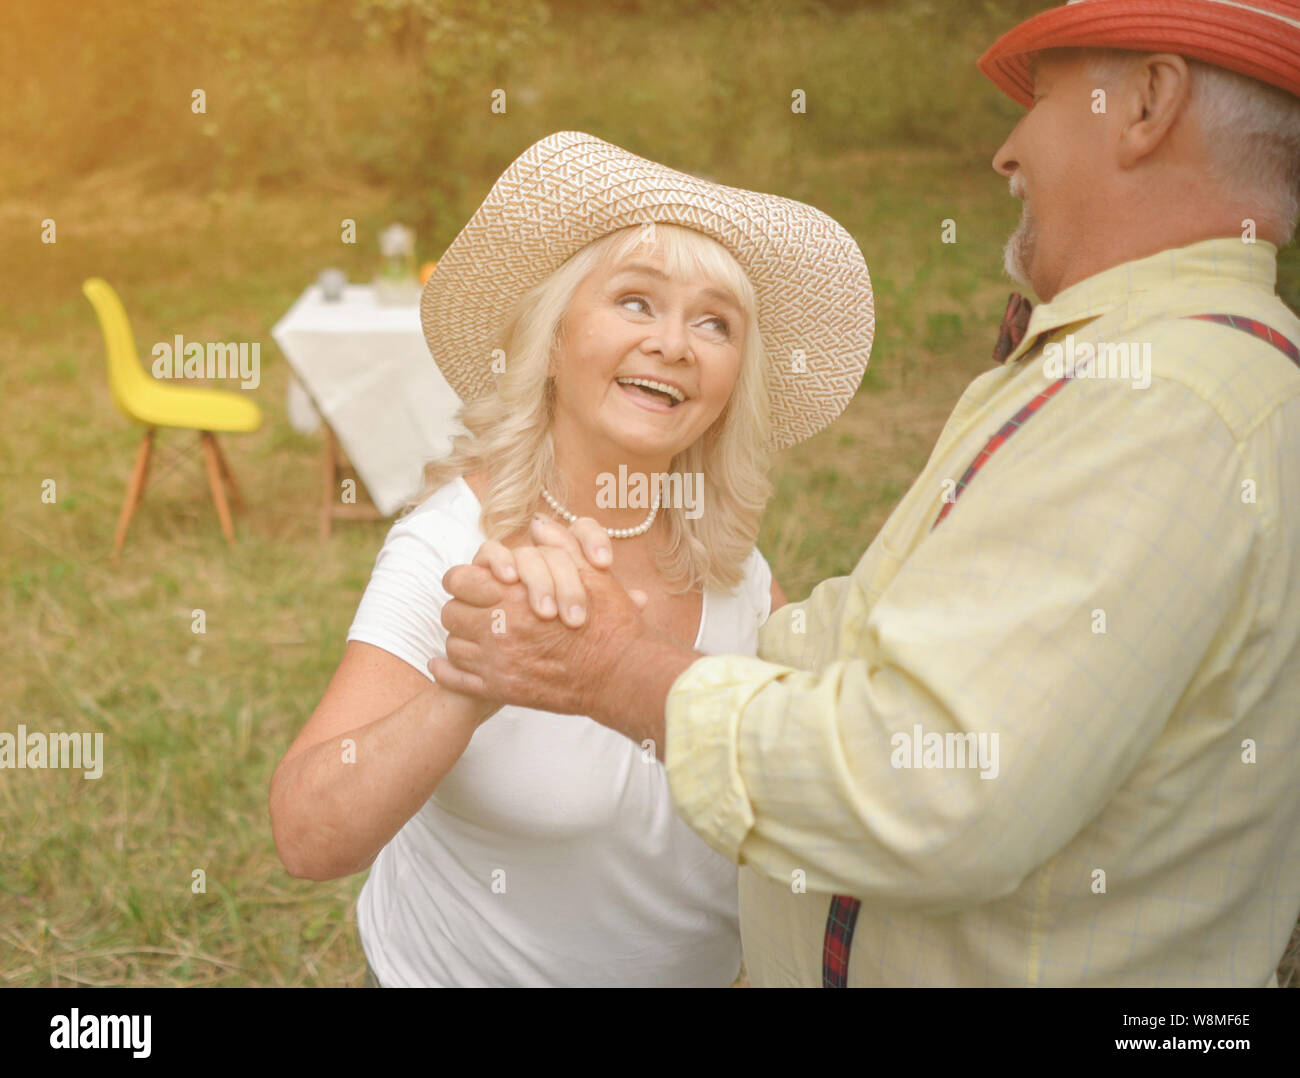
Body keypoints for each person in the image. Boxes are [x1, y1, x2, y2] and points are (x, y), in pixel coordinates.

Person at [432, 0, 1300, 987]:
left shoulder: (1161, 403)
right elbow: (946, 624)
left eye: (1044, 100)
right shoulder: (1176, 378)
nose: (1005, 154)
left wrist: (609, 668)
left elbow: (929, 788)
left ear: (1145, 102)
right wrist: (729, 629)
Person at [267, 131, 874, 987]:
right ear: (551, 342)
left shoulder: (736, 566)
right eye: (635, 301)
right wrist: (469, 685)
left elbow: (789, 779)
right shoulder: (449, 544)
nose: (674, 343)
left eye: (715, 323)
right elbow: (306, 836)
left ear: (734, 379)